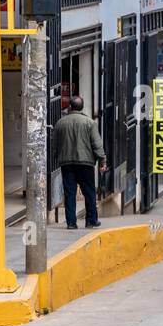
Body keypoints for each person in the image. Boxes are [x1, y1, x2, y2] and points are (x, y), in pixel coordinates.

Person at [51, 95, 106, 229]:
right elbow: (97, 144)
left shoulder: (60, 123)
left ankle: (71, 223)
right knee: (89, 192)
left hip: (67, 163)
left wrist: (57, 157)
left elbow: (54, 145)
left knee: (69, 193)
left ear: (70, 107)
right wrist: (102, 160)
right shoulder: (89, 123)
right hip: (85, 163)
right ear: (82, 107)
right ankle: (91, 220)